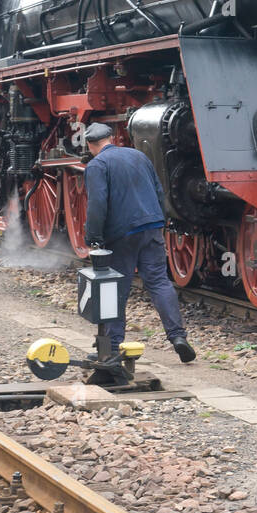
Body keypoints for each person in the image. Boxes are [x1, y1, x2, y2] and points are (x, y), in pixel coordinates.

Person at [82, 123, 195, 363]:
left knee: (116, 287)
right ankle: (178, 337)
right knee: (158, 282)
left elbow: (97, 204)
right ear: (111, 138)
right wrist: (160, 221)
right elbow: (158, 190)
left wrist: (93, 236)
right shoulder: (138, 156)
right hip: (152, 227)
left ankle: (112, 347)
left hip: (122, 234)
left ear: (91, 145)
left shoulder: (97, 165)